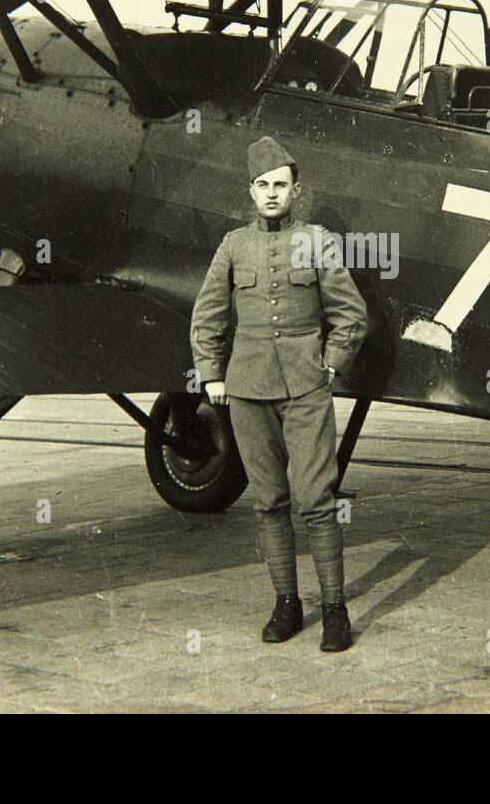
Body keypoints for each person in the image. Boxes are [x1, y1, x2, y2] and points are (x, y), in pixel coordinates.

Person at [190, 136, 368, 651]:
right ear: (251, 190)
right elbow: (207, 317)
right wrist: (213, 376)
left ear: (296, 190)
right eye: (263, 185)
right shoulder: (233, 245)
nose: (272, 194)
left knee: (317, 499)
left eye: (281, 186)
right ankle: (286, 605)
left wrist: (330, 367)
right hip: (247, 391)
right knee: (268, 501)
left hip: (306, 389)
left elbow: (350, 316)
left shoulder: (317, 242)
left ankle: (335, 610)